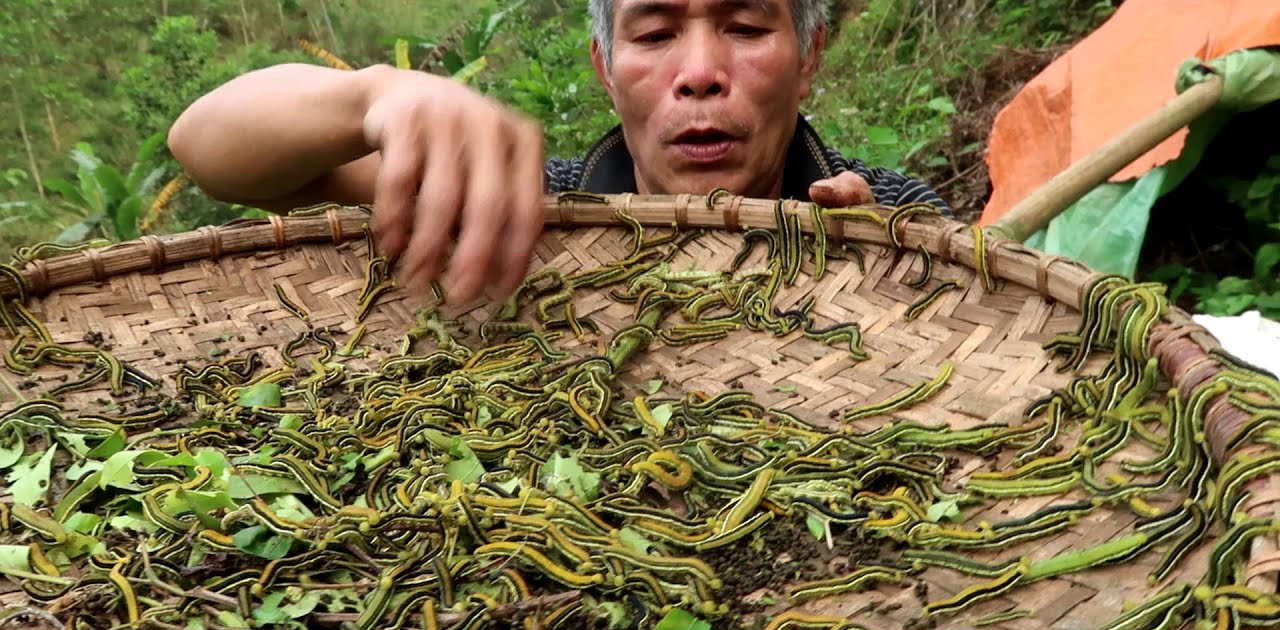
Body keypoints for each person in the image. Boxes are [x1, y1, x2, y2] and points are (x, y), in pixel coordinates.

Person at [167, 0, 950, 307]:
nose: (702, 73)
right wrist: (377, 95)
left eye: (746, 29)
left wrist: (890, 268)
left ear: (808, 57)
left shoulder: (894, 207)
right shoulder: (531, 209)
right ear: (606, 71)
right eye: (653, 35)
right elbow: (208, 150)